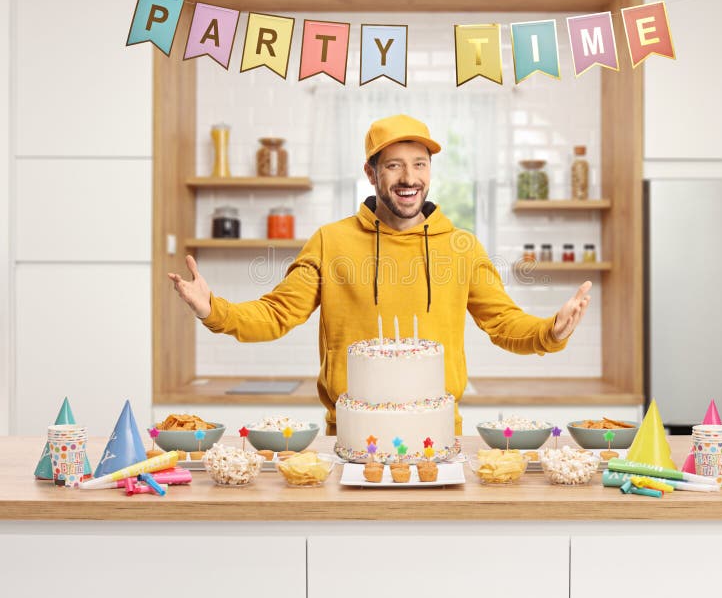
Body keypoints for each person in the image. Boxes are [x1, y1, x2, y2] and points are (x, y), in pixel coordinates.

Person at [168, 114, 592, 435]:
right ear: (371, 173)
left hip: (439, 432)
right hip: (350, 434)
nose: (410, 178)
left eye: (420, 165)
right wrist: (213, 310)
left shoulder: (461, 247)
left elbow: (503, 323)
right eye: (394, 166)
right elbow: (278, 314)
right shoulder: (330, 242)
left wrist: (550, 331)